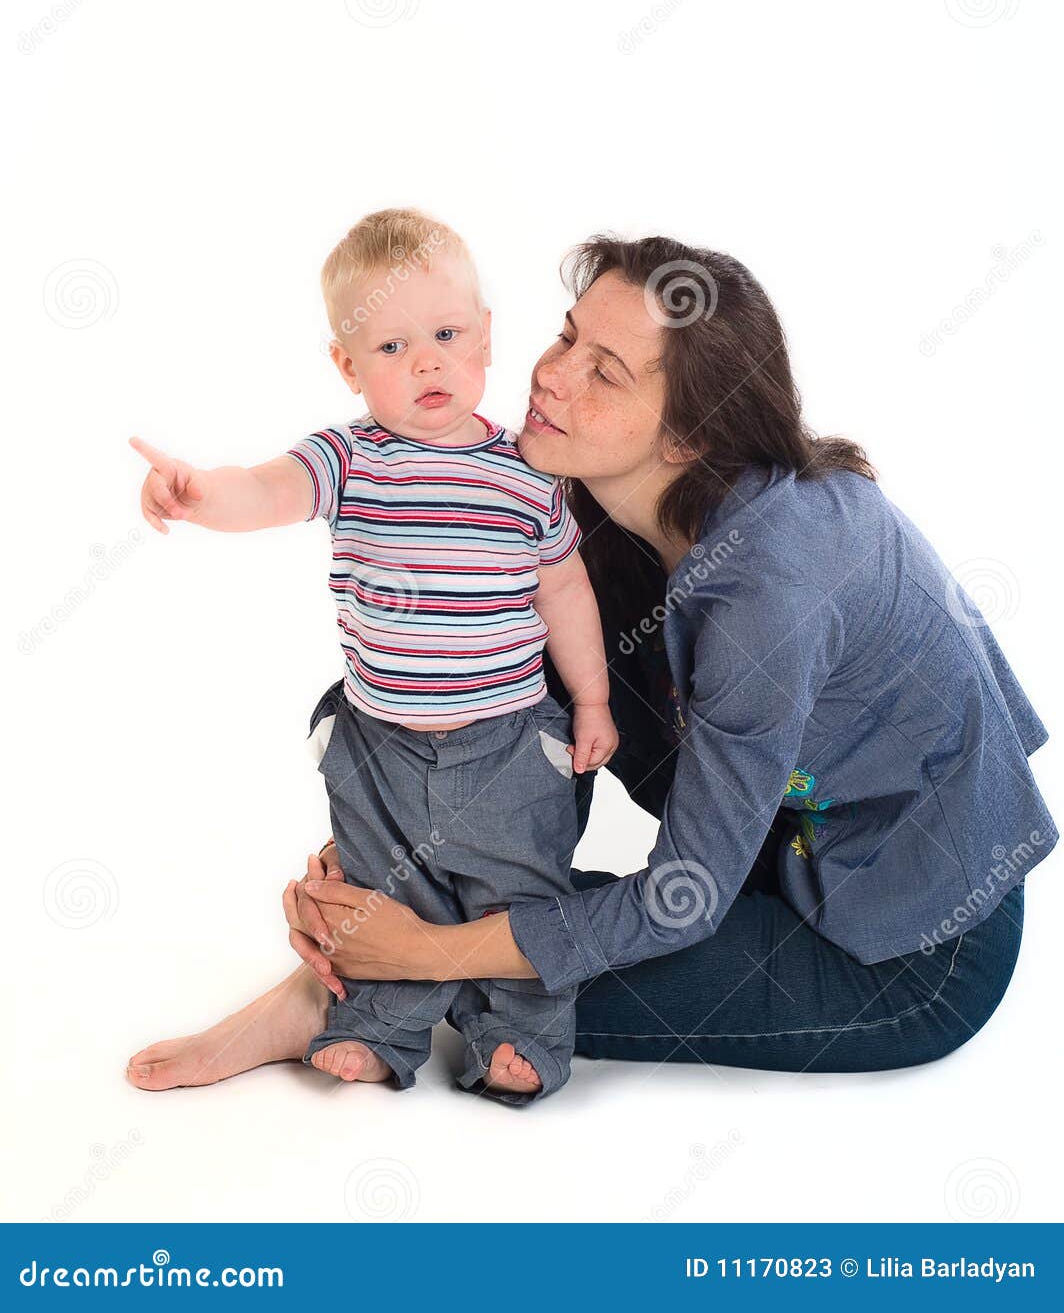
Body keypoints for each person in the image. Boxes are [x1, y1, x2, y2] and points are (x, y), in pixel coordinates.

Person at [127, 233, 1054, 1094]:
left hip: (903, 944)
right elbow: (448, 677)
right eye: (567, 337)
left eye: (602, 371)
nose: (552, 376)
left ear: (689, 434)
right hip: (781, 829)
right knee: (496, 648)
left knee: (520, 1004)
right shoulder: (599, 503)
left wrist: (419, 945)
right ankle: (358, 954)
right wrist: (383, 844)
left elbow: (683, 901)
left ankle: (350, 985)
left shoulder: (771, 594)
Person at [128, 209, 617, 1103]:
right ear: (348, 368)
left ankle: (521, 1039)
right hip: (378, 740)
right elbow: (268, 490)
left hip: (507, 741)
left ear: (486, 340)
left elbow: (566, 593)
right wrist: (204, 494)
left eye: (445, 334)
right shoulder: (348, 457)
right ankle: (373, 1029)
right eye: (391, 347)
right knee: (376, 885)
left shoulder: (528, 473)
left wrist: (591, 701)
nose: (427, 361)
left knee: (519, 887)